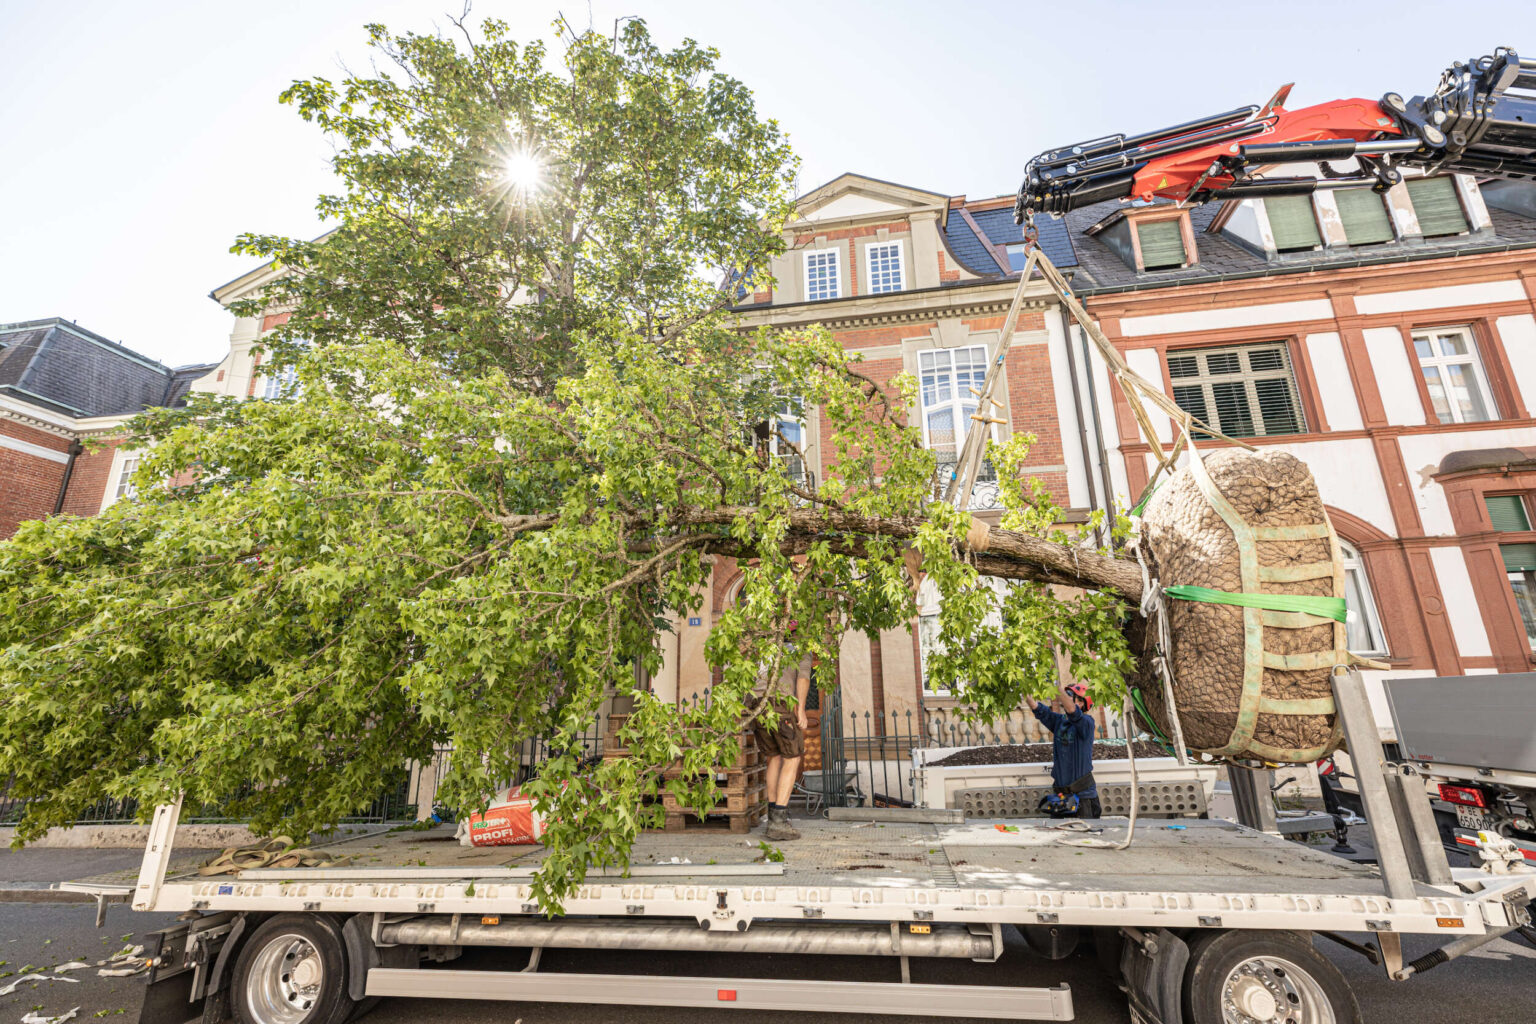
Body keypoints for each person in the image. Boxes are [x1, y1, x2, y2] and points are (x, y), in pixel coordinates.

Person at [752, 630, 811, 842]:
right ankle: (779, 821)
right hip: (780, 703)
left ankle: (773, 817)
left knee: (774, 757)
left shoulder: (765, 644)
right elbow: (803, 678)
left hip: (757, 704)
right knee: (792, 757)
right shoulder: (802, 647)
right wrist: (801, 709)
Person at [1030, 681, 1100, 819]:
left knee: (1085, 832)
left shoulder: (1087, 723)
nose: (1064, 697)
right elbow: (1039, 710)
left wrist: (1056, 684)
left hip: (1083, 798)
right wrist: (1024, 689)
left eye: (1069, 695)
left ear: (1081, 703)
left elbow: (1073, 712)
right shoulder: (1059, 721)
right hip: (1061, 796)